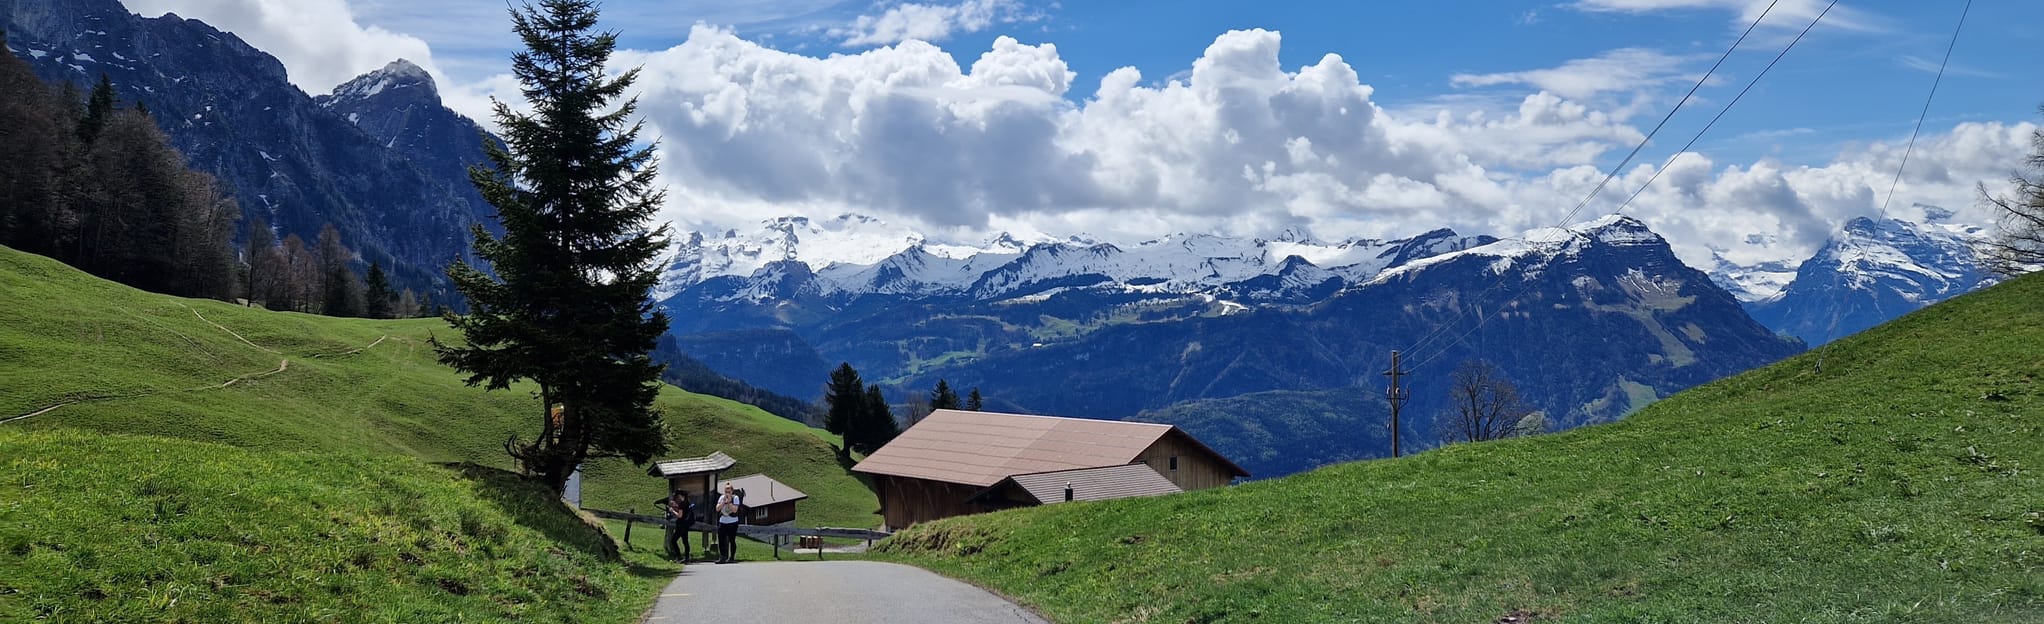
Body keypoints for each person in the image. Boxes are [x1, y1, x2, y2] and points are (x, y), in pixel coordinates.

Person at [658, 492, 696, 562]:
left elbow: (680, 515)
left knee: (673, 540)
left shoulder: (681, 504)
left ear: (680, 496)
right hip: (686, 524)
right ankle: (687, 557)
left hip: (681, 525)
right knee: (685, 541)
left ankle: (679, 556)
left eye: (677, 496)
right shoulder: (687, 503)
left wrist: (673, 511)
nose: (676, 498)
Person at [714, 482, 744, 563]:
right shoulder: (721, 497)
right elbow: (717, 509)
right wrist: (723, 502)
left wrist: (729, 502)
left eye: (729, 491)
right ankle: (722, 557)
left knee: (732, 540)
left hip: (732, 522)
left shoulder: (735, 498)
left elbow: (735, 510)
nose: (727, 492)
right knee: (721, 540)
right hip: (723, 521)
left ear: (732, 491)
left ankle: (732, 558)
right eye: (726, 491)